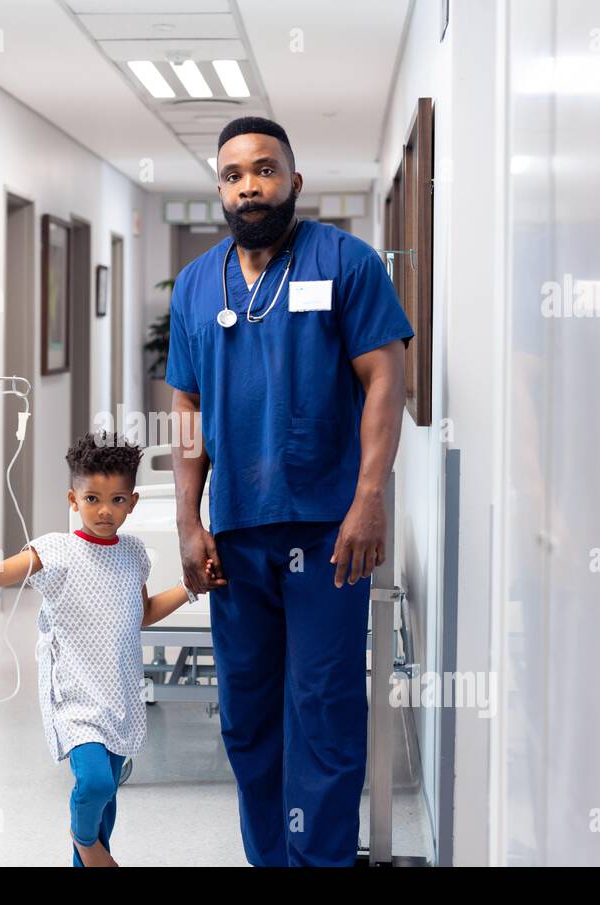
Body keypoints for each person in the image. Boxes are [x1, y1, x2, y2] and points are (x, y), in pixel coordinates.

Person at [165, 116, 413, 866]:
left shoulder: (348, 263)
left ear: (294, 181)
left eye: (266, 170)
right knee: (246, 714)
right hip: (239, 535)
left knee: (324, 709)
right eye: (235, 174)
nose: (251, 185)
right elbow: (186, 407)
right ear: (219, 188)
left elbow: (385, 378)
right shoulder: (196, 284)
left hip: (329, 531)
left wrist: (369, 496)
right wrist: (187, 517)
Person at [0, 431, 205, 866]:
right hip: (75, 699)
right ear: (74, 500)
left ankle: (90, 848)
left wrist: (190, 587)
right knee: (94, 786)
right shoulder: (56, 550)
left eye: (117, 500)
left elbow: (142, 612)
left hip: (120, 698)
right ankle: (83, 841)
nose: (104, 510)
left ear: (133, 501)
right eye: (92, 499)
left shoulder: (133, 554)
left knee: (107, 806)